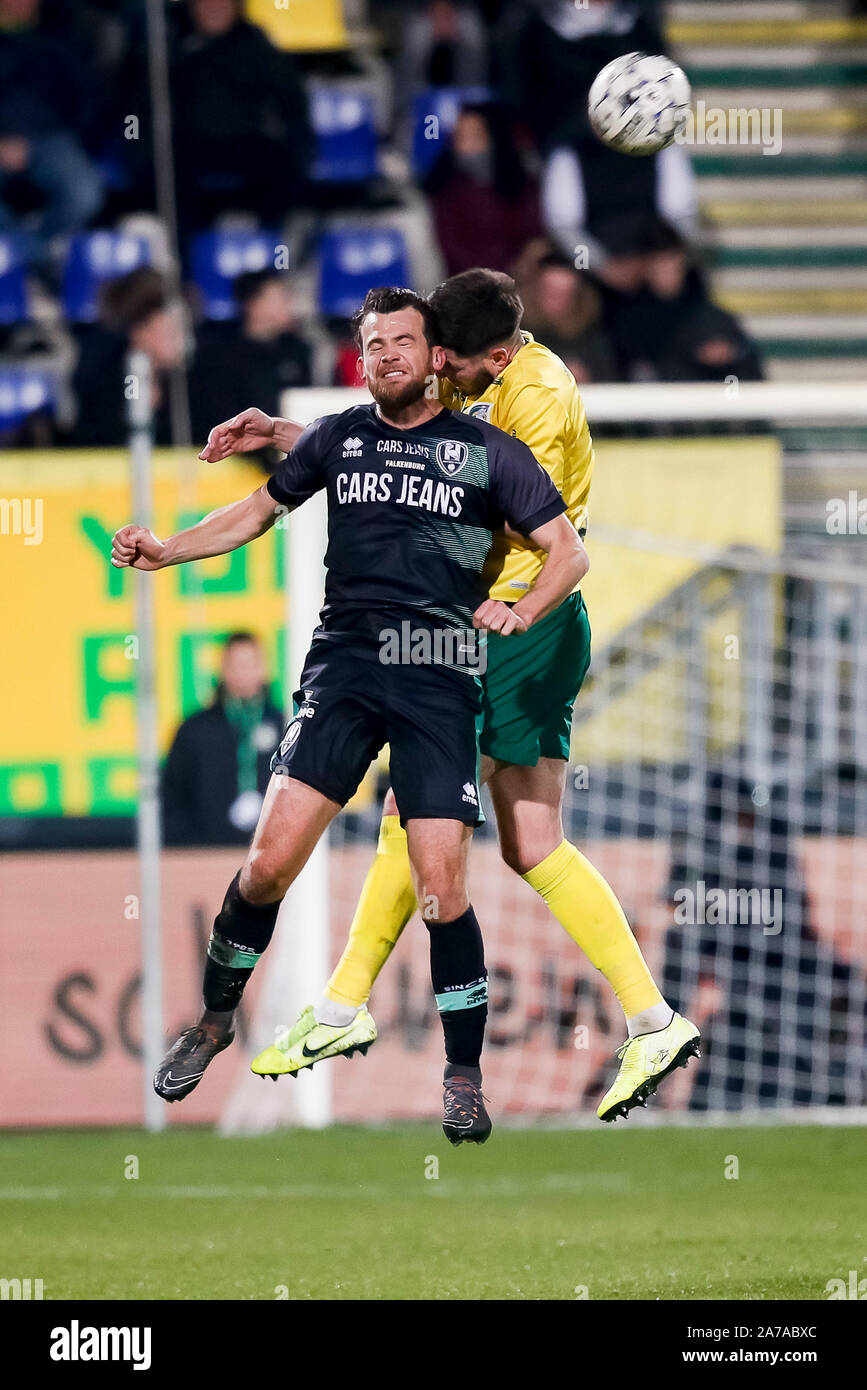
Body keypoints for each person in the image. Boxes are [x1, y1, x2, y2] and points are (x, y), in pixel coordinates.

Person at [205, 270, 700, 1124]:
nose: (437, 372)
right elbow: (421, 448)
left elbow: (493, 507)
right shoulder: (501, 381)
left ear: (493, 358)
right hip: (499, 621)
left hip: (513, 620)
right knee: (525, 840)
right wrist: (310, 439)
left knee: (426, 809)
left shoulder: (538, 400)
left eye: (449, 363)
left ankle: (342, 1006)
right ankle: (648, 1019)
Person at [112, 286, 585, 1144]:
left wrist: (521, 610)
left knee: (442, 889)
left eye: (402, 341)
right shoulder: (339, 437)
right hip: (344, 667)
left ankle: (463, 1076)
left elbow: (567, 550)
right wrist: (170, 548)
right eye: (372, 346)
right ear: (359, 359)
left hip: (440, 675)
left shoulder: (491, 451)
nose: (386, 356)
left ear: (435, 355)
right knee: (266, 866)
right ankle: (215, 1022)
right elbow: (256, 511)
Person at [0, 0, 104, 271]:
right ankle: (40, 262)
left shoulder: (63, 32)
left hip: (51, 138)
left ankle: (28, 248)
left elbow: (85, 95)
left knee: (85, 192)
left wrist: (74, 135)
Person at [161, 632, 284, 847]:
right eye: (236, 664)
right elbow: (172, 796)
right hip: (206, 853)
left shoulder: (285, 726)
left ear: (264, 668)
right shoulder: (195, 729)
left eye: (250, 664)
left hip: (271, 852)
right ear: (223, 669)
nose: (243, 672)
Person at [189, 271, 312, 450]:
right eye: (281, 298)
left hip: (289, 452)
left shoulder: (298, 350)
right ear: (253, 304)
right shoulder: (220, 358)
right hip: (236, 458)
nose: (289, 304)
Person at [70, 267, 186, 447]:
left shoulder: (186, 384)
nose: (181, 341)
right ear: (141, 332)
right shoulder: (106, 378)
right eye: (172, 332)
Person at [425, 102, 541, 277]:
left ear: (495, 138)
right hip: (466, 287)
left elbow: (534, 236)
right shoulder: (444, 189)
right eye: (460, 137)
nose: (465, 147)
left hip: (520, 282)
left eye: (475, 136)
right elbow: (452, 251)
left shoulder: (524, 186)